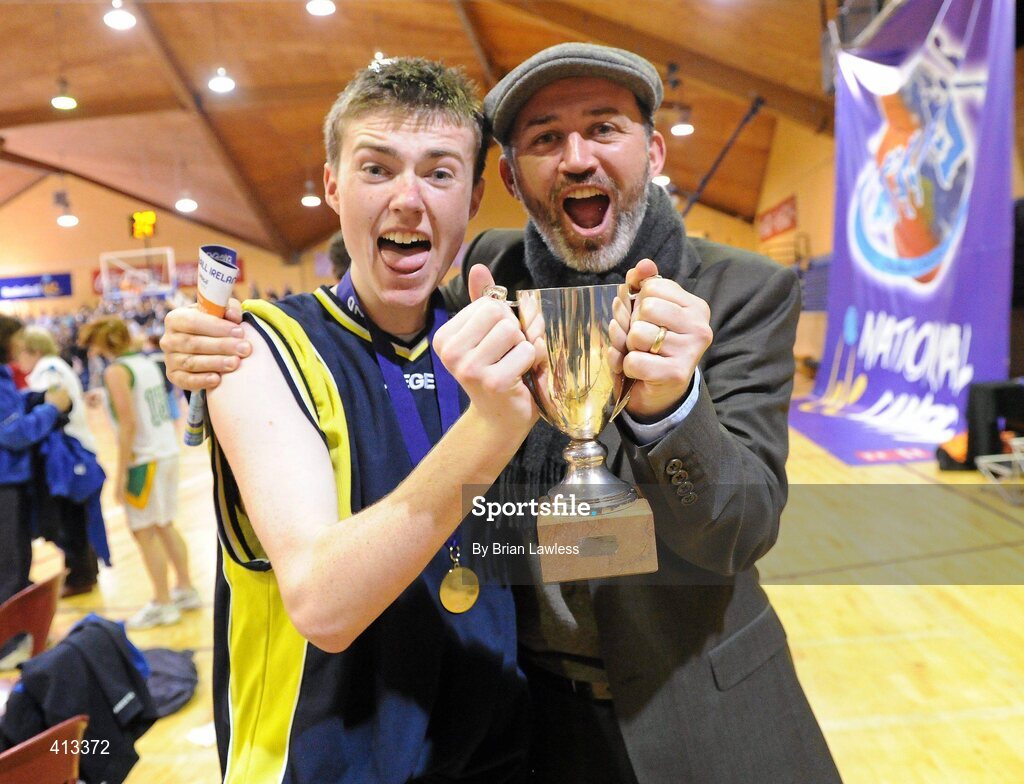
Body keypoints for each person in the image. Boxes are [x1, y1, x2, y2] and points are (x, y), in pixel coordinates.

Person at [162, 44, 841, 783]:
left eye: (605, 128)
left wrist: (674, 411)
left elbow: (742, 530)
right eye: (546, 137)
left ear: (653, 149)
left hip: (703, 713)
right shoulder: (488, 276)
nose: (577, 157)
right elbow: (370, 306)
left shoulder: (744, 291)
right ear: (511, 179)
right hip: (531, 726)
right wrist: (203, 338)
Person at [180, 58, 537, 783]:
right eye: (378, 169)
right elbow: (322, 603)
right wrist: (492, 428)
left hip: (493, 757)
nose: (408, 198)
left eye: (439, 174)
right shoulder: (256, 349)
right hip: (324, 764)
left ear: (472, 199)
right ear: (332, 185)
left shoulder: (494, 338)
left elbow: (550, 539)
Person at [78, 317, 200, 629]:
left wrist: (119, 476)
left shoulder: (115, 370)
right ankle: (185, 590)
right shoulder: (144, 363)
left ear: (103, 344)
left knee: (143, 531)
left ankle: (162, 603)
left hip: (144, 459)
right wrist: (104, 398)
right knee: (163, 525)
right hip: (166, 450)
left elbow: (129, 424)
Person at [0, 316, 71, 666]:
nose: (20, 344)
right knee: (9, 566)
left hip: (11, 482)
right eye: (16, 338)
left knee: (16, 560)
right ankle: (7, 646)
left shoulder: (4, 377)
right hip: (3, 484)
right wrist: (49, 408)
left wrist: (36, 398)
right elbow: (12, 434)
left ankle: (20, 634)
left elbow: (11, 414)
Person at [14, 326, 104, 596]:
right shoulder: (55, 366)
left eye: (21, 354)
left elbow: (53, 409)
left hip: (67, 451)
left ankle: (80, 575)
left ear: (35, 351)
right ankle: (84, 570)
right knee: (72, 514)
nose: (19, 362)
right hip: (70, 448)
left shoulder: (47, 370)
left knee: (68, 515)